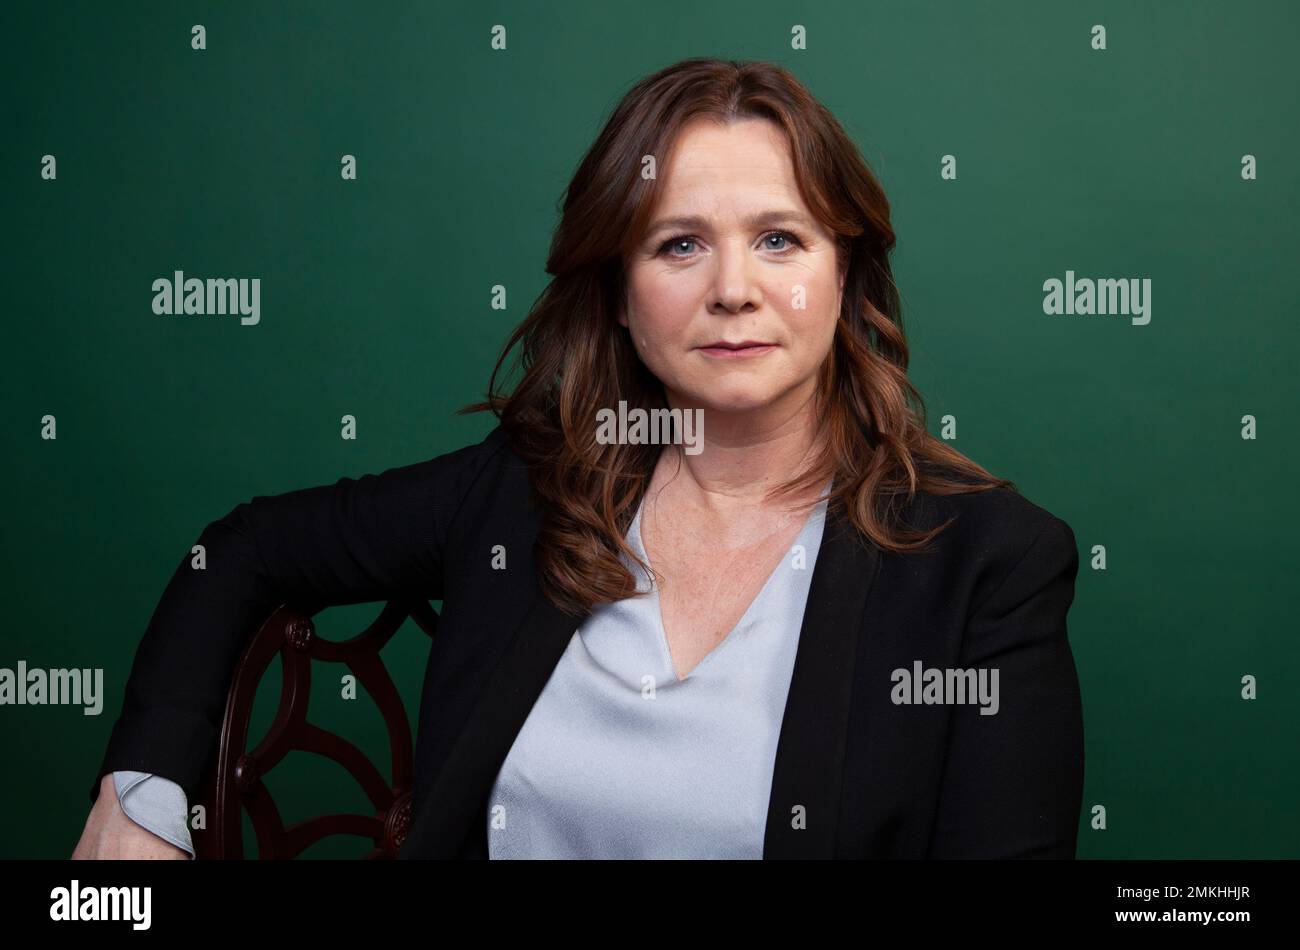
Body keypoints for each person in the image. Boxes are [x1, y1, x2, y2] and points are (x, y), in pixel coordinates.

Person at [73, 57, 1083, 860]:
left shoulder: (985, 561)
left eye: (780, 238)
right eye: (678, 244)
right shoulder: (525, 485)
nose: (733, 288)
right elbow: (243, 549)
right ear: (614, 287)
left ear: (846, 270)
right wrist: (142, 795)